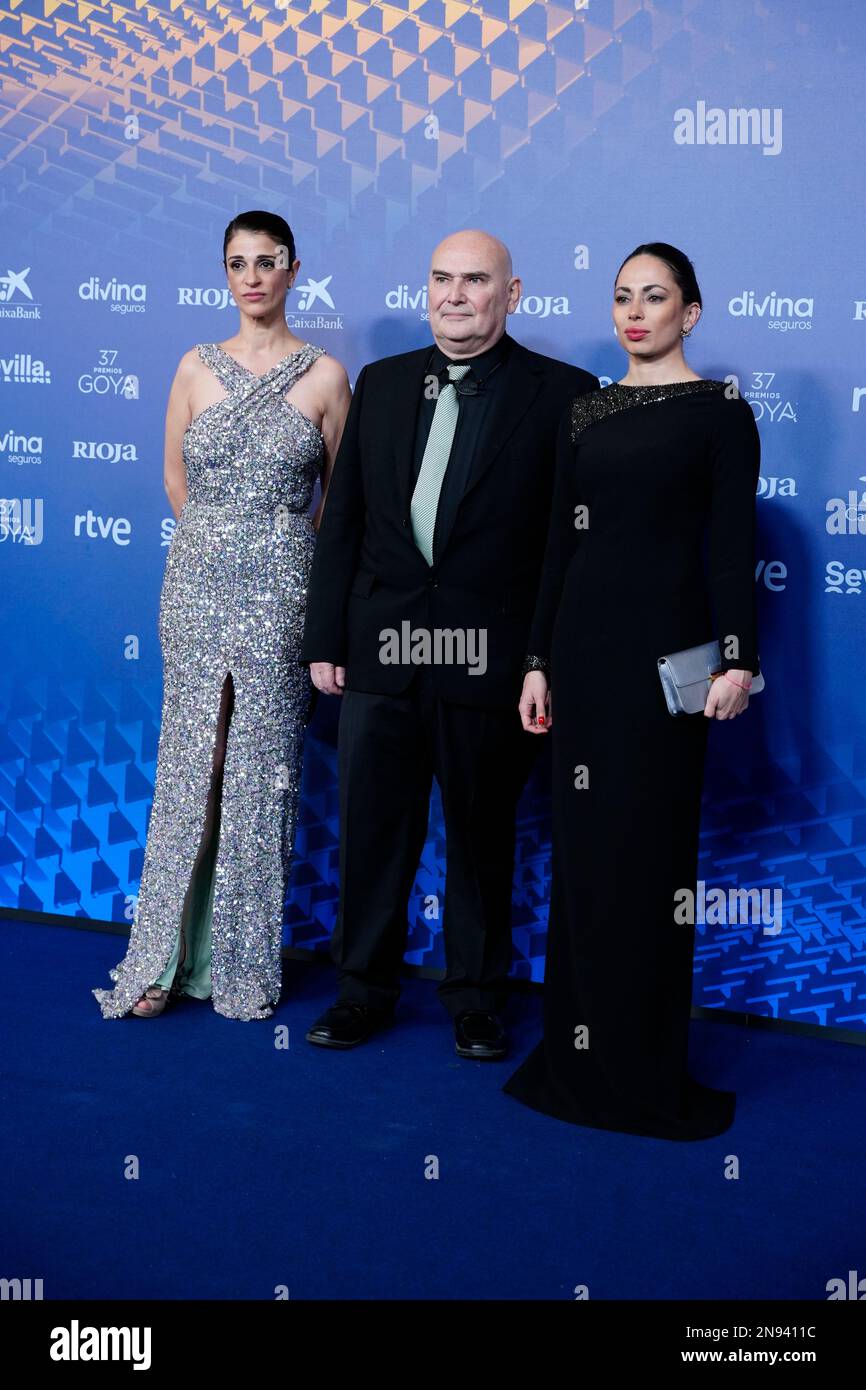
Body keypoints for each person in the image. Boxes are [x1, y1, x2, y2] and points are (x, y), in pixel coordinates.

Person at [299, 229, 598, 1058]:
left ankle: (475, 998)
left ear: (513, 293)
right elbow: (344, 522)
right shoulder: (383, 383)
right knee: (372, 833)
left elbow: (560, 550)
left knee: (478, 835)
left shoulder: (563, 395)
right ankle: (362, 991)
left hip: (487, 656)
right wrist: (327, 636)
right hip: (382, 648)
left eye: (475, 280)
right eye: (441, 279)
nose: (454, 295)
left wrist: (540, 660)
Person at [503, 242, 760, 1139]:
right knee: (583, 859)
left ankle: (643, 1073)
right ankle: (577, 1064)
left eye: (656, 297)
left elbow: (731, 547)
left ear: (691, 312)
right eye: (622, 297)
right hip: (582, 659)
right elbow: (556, 550)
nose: (636, 311)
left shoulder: (722, 415)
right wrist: (536, 661)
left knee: (650, 862)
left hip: (668, 669)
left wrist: (737, 659)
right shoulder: (584, 412)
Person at [93, 211, 350, 1020]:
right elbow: (175, 477)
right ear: (225, 272)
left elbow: (337, 509)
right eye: (237, 262)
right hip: (197, 584)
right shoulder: (194, 366)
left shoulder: (326, 377)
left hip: (282, 589)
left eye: (267, 262)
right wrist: (217, 541)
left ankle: (240, 970)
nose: (252, 277)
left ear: (293, 270)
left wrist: (278, 555)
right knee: (191, 769)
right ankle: (164, 960)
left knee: (262, 775)